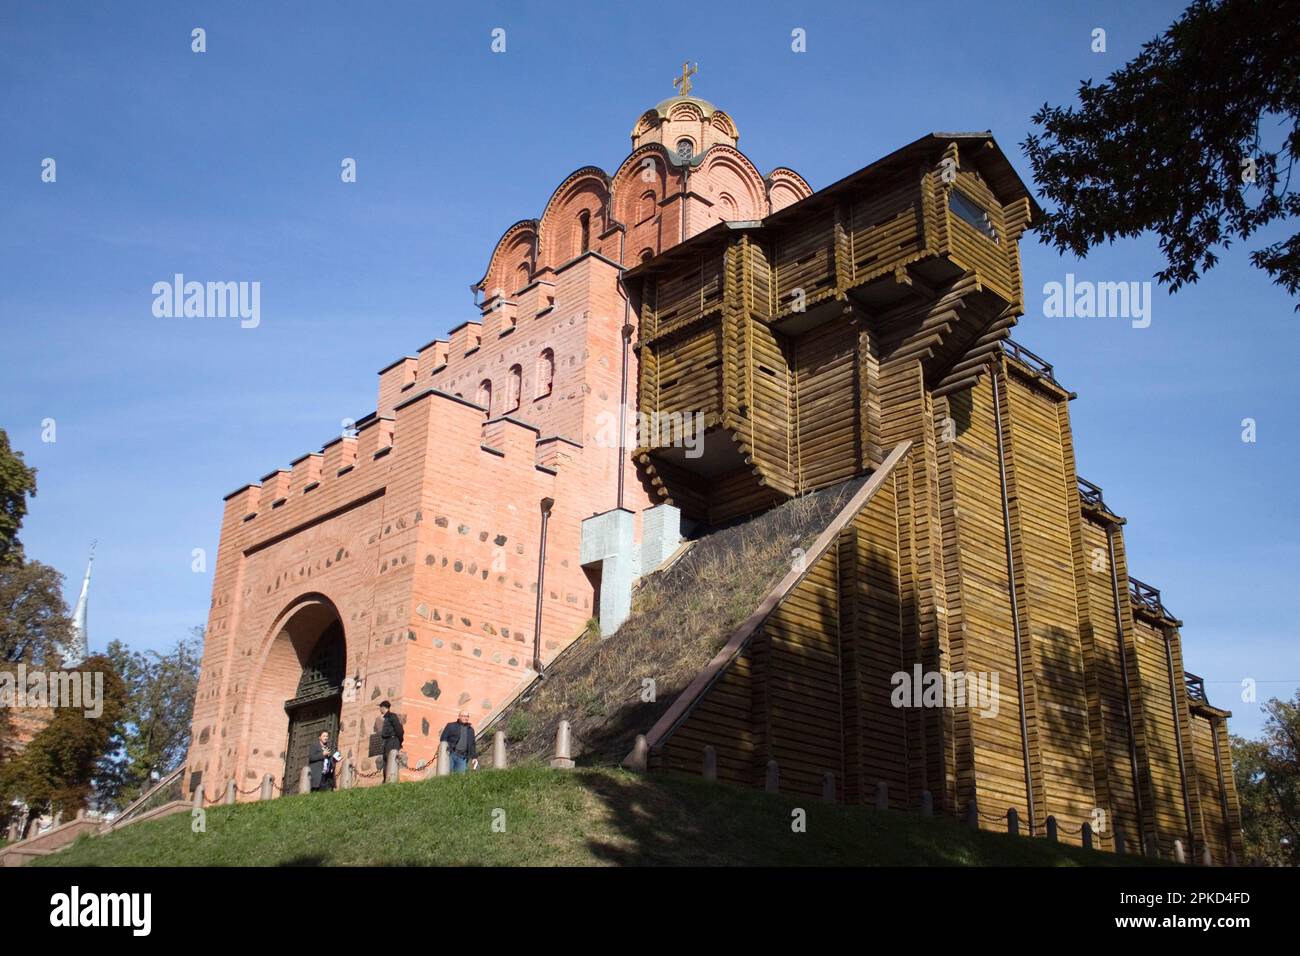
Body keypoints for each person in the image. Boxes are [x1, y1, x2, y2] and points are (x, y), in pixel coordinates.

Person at [378, 700, 404, 781]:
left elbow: (399, 729)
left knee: (391, 759)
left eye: (380, 708)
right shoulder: (386, 718)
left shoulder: (392, 716)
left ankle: (390, 778)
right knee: (386, 759)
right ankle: (386, 779)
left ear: (383, 707)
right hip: (387, 741)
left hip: (392, 741)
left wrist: (399, 741)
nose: (380, 710)